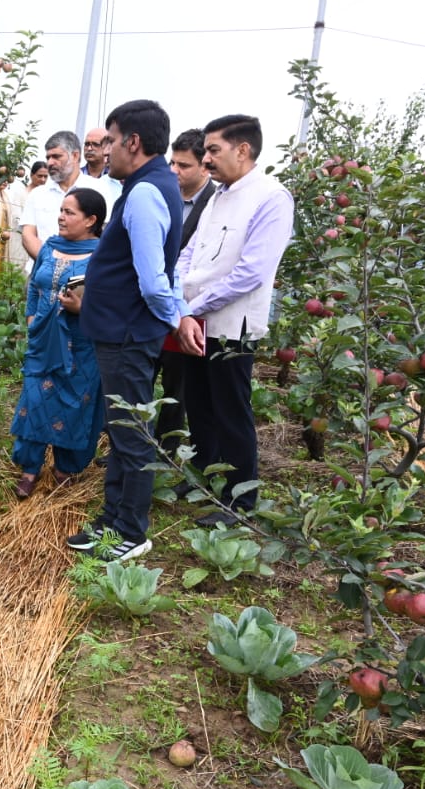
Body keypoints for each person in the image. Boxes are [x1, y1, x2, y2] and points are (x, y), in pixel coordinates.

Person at [70, 99, 191, 561]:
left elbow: (153, 277)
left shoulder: (144, 193)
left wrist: (173, 317)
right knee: (122, 429)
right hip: (123, 330)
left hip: (127, 332)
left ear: (133, 143)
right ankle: (112, 521)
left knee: (132, 433)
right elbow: (166, 267)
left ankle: (131, 531)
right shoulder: (152, 187)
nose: (106, 150)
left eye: (112, 141)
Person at [174, 114, 294, 526]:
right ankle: (205, 480)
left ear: (243, 150)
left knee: (231, 410)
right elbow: (191, 250)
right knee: (200, 404)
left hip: (232, 324)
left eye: (213, 150)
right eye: (205, 151)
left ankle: (241, 501)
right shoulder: (218, 195)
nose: (206, 159)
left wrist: (194, 306)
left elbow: (253, 272)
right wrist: (182, 300)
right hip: (195, 318)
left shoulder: (271, 198)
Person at [10, 188, 107, 499]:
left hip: (81, 346)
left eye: (70, 213)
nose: (61, 217)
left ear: (91, 220)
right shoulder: (50, 247)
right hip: (43, 342)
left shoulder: (103, 256)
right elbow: (35, 289)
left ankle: (65, 468)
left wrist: (84, 309)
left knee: (75, 405)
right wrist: (31, 321)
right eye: (61, 211)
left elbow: (113, 304)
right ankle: (29, 468)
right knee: (34, 400)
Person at [155, 129, 217, 460]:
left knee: (176, 383)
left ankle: (166, 449)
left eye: (184, 165)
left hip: (188, 307)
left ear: (204, 167)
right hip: (152, 302)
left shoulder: (214, 204)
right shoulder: (164, 195)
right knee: (142, 373)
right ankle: (134, 444)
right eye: (172, 163)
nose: (175, 171)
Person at [21, 131, 112, 262]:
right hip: (41, 272)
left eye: (56, 157)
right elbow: (28, 235)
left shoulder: (99, 189)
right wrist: (50, 263)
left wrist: (78, 264)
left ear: (75, 156)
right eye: (48, 157)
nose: (50, 163)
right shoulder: (37, 194)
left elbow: (104, 232)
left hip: (82, 274)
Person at [3, 162, 48, 273]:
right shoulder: (22, 194)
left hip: (41, 240)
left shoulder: (47, 196)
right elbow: (17, 218)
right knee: (18, 271)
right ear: (32, 175)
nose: (43, 179)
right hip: (21, 239)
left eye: (45, 176)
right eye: (39, 176)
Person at [82, 127, 123, 204]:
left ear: (107, 146)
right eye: (87, 144)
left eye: (95, 144)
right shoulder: (76, 176)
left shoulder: (116, 178)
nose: (89, 148)